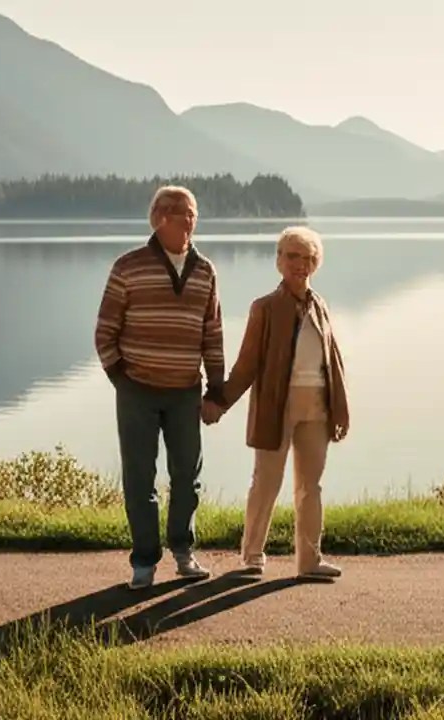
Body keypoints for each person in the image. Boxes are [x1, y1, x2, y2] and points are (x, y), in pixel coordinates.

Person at [94, 185, 225, 590]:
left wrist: (216, 391)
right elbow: (105, 332)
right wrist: (122, 378)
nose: (190, 219)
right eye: (181, 212)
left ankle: (183, 551)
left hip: (186, 391)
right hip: (137, 390)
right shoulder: (128, 266)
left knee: (187, 475)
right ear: (159, 218)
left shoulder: (205, 270)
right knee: (139, 477)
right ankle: (145, 561)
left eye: (193, 212)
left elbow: (212, 334)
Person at [205, 226, 350, 579]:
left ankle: (309, 561)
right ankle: (252, 557)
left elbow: (333, 361)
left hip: (317, 407)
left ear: (316, 263)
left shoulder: (321, 306)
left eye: (308, 257)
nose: (301, 264)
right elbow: (247, 364)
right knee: (266, 481)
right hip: (276, 406)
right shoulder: (265, 308)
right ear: (279, 261)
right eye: (293, 256)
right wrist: (219, 401)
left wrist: (341, 410)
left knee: (310, 486)